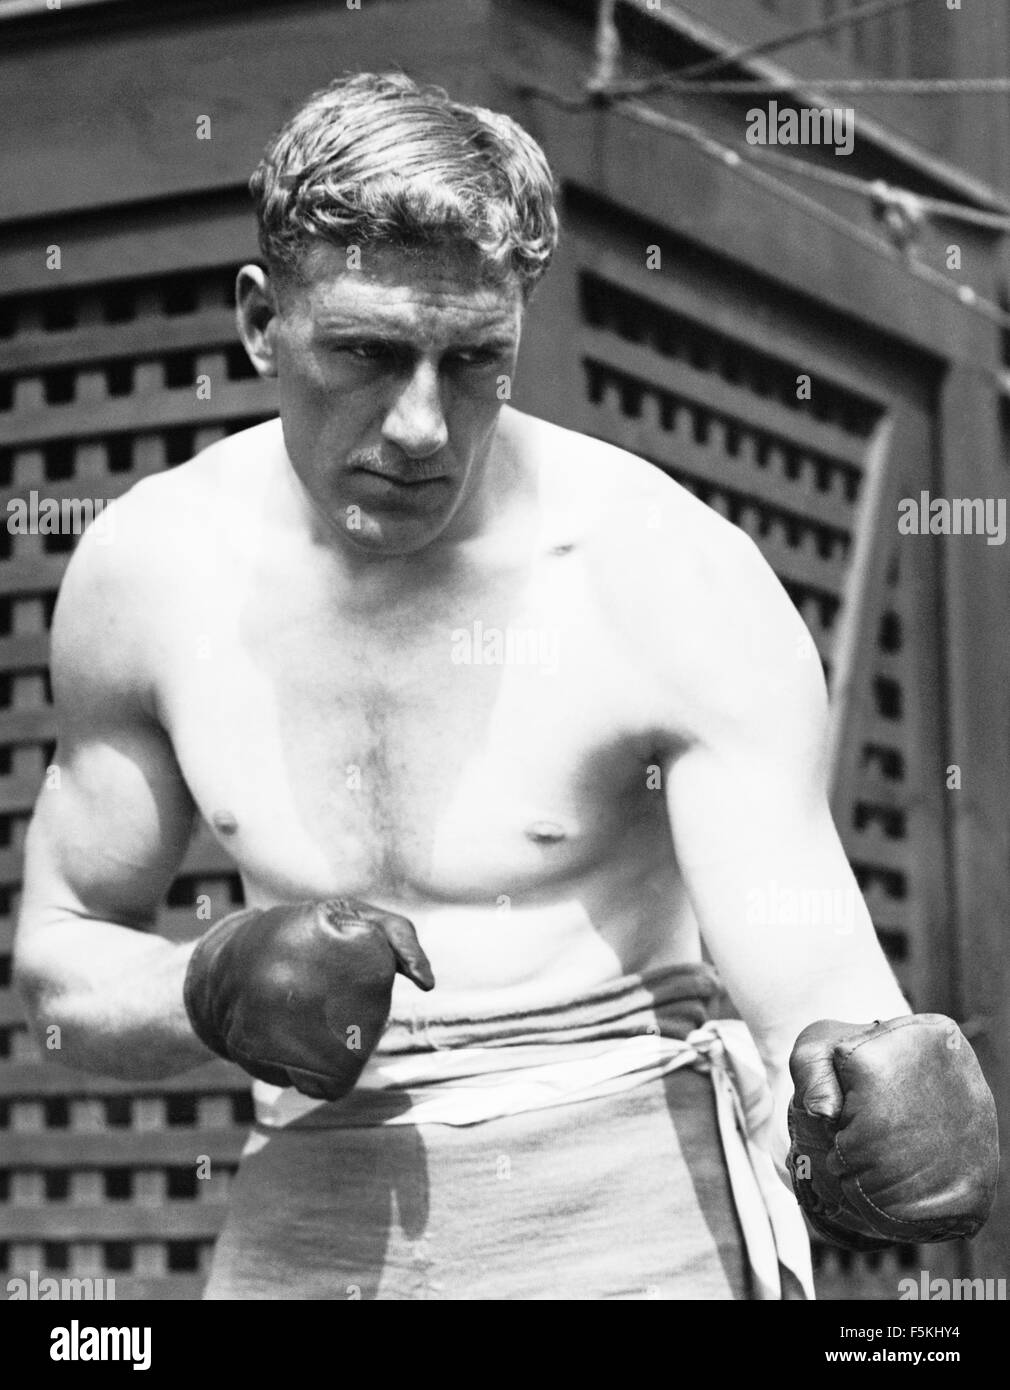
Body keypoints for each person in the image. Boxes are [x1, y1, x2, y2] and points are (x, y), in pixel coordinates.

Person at [14, 72, 997, 1301]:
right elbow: (58, 965)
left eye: (474, 360)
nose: (422, 425)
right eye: (366, 353)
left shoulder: (662, 572)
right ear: (262, 323)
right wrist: (206, 985)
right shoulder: (149, 574)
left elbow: (804, 962)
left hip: (631, 1193)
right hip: (312, 1206)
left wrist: (870, 1062)